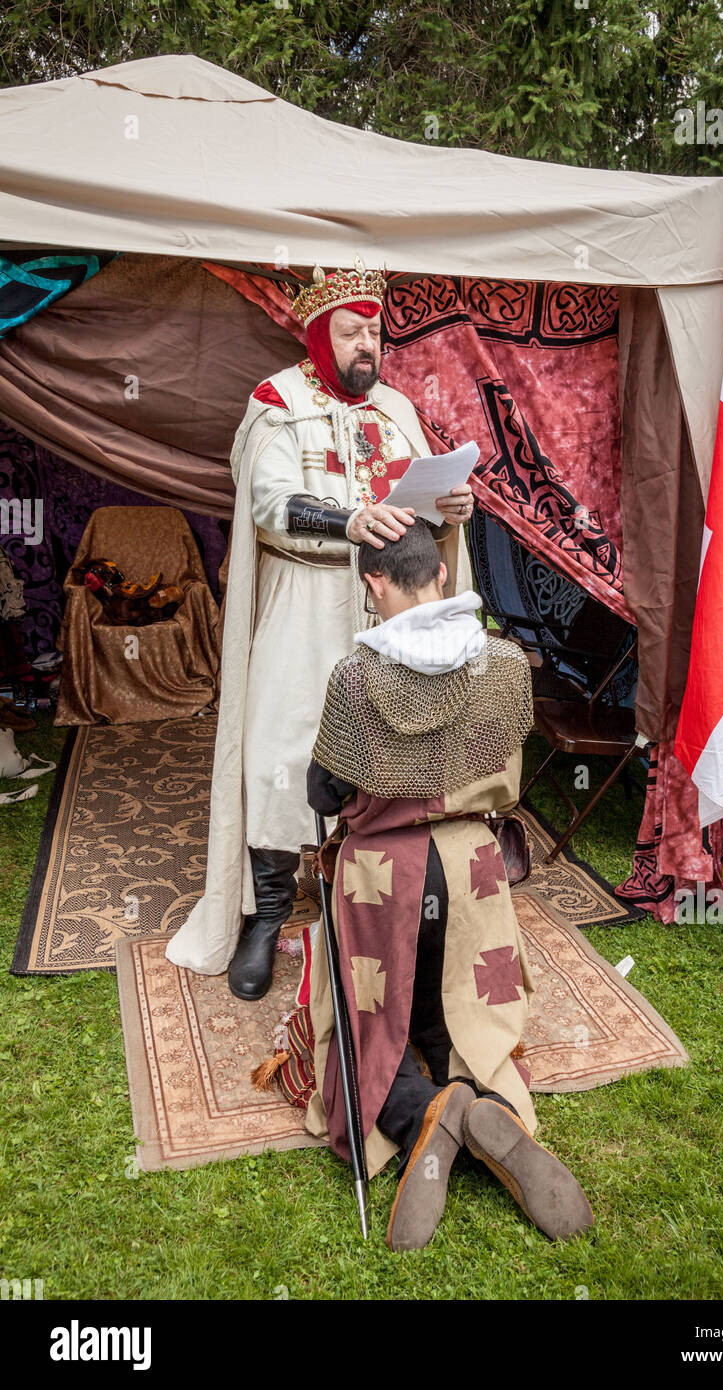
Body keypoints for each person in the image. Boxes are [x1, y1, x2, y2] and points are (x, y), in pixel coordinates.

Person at [165, 259, 473, 998]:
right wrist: (350, 520)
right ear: (317, 332)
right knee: (282, 752)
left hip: (386, 613)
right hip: (303, 606)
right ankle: (267, 918)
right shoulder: (277, 402)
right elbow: (269, 501)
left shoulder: (397, 409)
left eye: (375, 330)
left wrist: (451, 508)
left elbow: (419, 500)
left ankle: (360, 911)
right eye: (352, 330)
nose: (368, 343)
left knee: (384, 750)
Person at [302, 521, 595, 1250]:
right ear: (440, 571)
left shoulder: (355, 676)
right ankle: (488, 1103)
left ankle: (419, 1114)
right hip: (474, 867)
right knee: (461, 1015)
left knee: (367, 1030)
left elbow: (323, 793)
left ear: (374, 581)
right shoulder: (501, 662)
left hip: (380, 882)